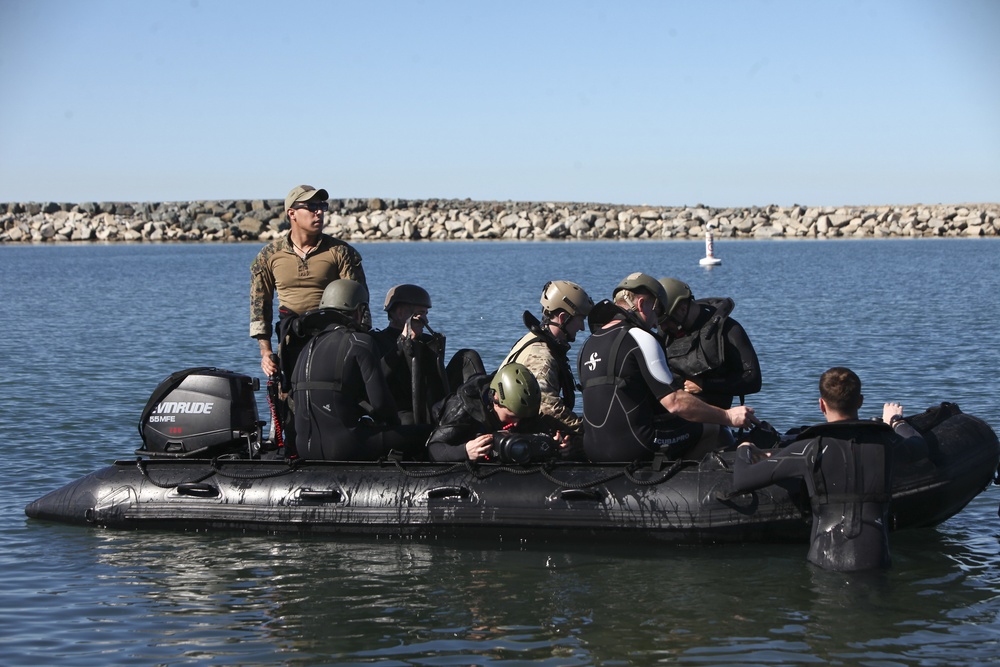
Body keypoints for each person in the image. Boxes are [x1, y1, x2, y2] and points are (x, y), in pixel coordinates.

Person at [732, 367, 927, 571]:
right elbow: (919, 446)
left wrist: (744, 450)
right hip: (877, 562)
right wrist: (896, 421)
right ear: (860, 401)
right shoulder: (887, 444)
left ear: (821, 404)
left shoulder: (806, 450)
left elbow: (742, 479)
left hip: (825, 563)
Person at [578, 272, 757, 463]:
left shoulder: (589, 343)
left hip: (592, 449)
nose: (657, 324)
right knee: (713, 427)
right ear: (641, 305)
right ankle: (686, 477)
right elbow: (675, 402)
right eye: (657, 313)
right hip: (636, 446)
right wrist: (728, 416)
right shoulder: (641, 337)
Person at [290, 280, 429, 461]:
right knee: (428, 433)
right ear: (358, 310)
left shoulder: (307, 347)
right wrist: (396, 428)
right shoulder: (360, 341)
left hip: (304, 449)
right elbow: (381, 404)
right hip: (345, 446)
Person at [250, 185, 367, 380]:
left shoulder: (341, 252)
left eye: (322, 206)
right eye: (311, 207)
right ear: (292, 213)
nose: (319, 212)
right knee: (290, 399)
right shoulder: (269, 255)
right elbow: (259, 308)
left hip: (333, 340)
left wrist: (359, 345)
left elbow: (360, 304)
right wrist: (266, 352)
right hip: (290, 340)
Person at [500, 280, 593, 459]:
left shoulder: (530, 338)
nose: (582, 327)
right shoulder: (542, 356)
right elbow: (548, 407)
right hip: (520, 434)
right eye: (580, 319)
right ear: (564, 318)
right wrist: (586, 431)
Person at [657, 277, 762, 409]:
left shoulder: (728, 330)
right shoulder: (665, 334)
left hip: (715, 417)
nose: (664, 327)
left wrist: (705, 385)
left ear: (682, 309)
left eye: (666, 321)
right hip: (674, 409)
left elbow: (753, 379)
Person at [426, 363, 543, 462]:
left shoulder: (522, 410)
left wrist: (555, 444)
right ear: (496, 399)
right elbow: (434, 447)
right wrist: (465, 451)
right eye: (511, 417)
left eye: (521, 418)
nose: (517, 424)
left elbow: (541, 430)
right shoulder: (463, 410)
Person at [371, 284, 449, 425]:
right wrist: (402, 343)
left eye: (426, 314)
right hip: (401, 411)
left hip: (433, 407)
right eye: (421, 314)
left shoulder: (428, 341)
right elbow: (376, 378)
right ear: (400, 313)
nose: (426, 321)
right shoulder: (377, 341)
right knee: (410, 421)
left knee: (468, 356)